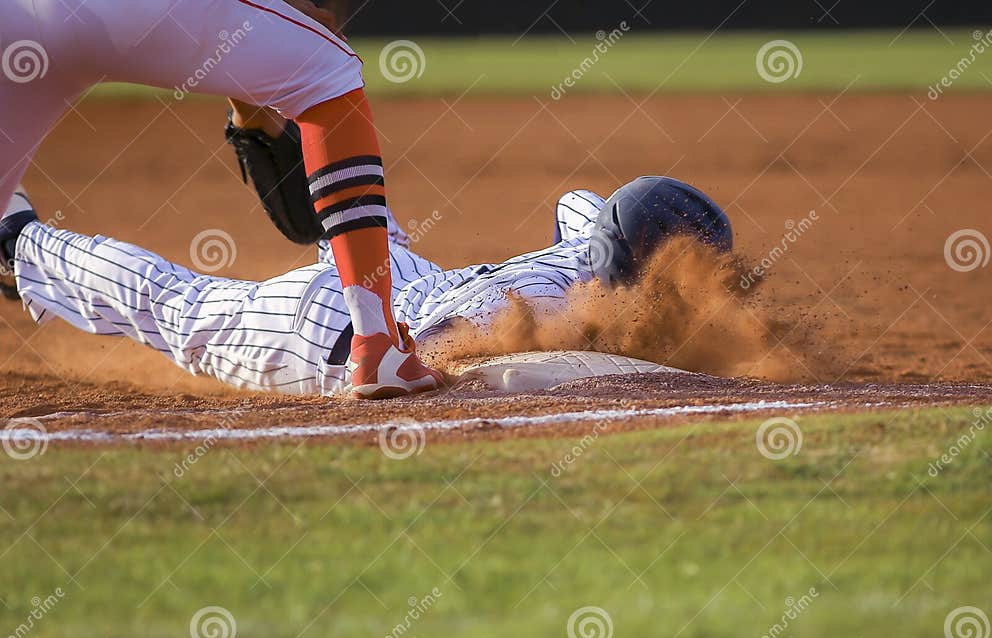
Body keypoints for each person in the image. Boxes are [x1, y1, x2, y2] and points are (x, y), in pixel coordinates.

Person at [0, 0, 439, 398]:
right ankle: (17, 240)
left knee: (324, 73)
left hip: (19, 16)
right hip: (364, 307)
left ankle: (15, 236)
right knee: (179, 308)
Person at [0, 177, 733, 397]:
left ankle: (287, 145)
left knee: (367, 218)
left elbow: (580, 202)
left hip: (411, 280)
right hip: (327, 332)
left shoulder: (584, 259)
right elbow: (439, 343)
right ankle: (18, 240)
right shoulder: (546, 303)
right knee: (175, 305)